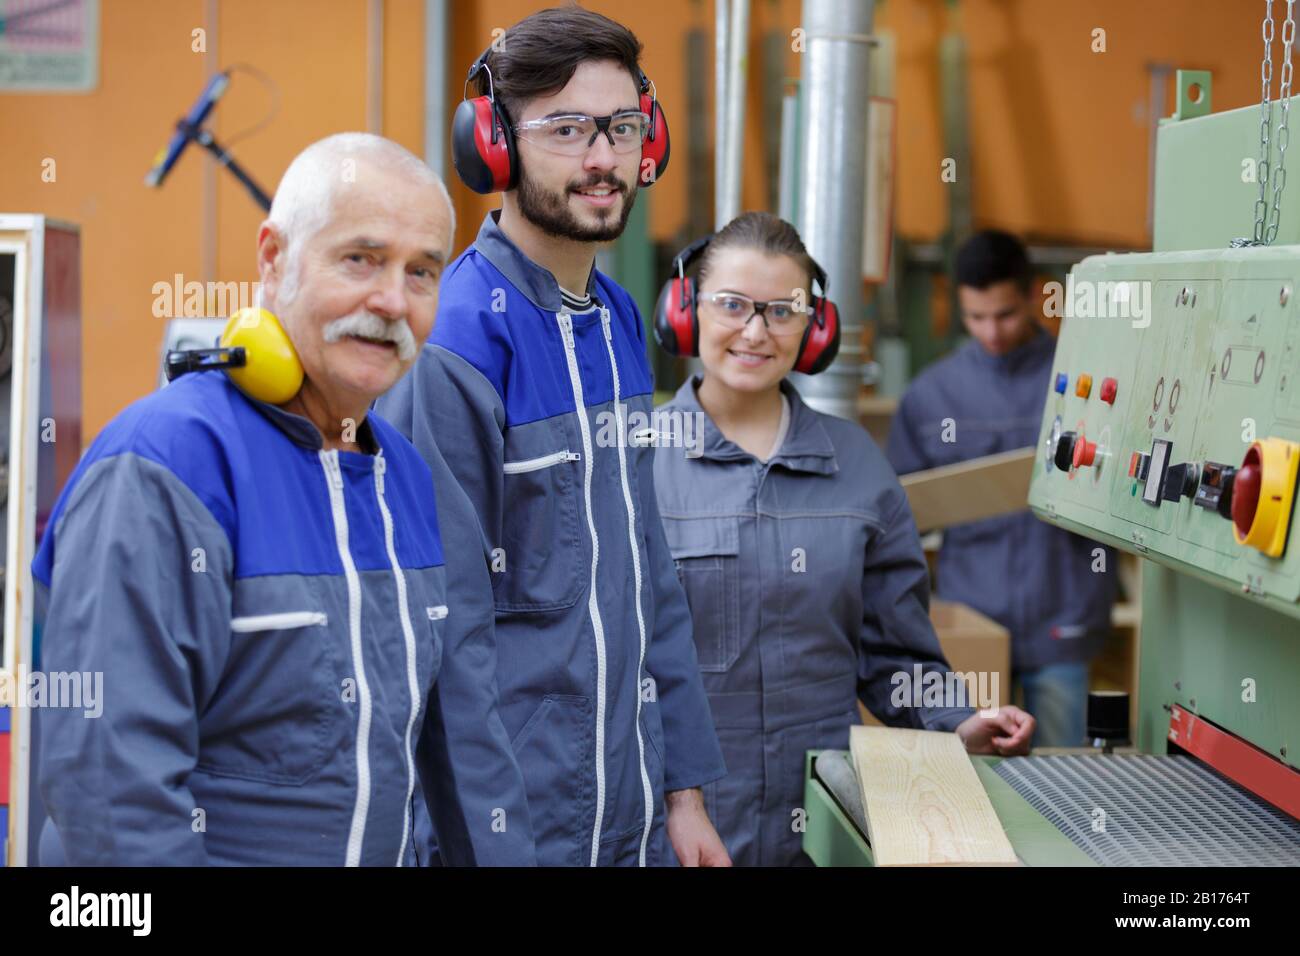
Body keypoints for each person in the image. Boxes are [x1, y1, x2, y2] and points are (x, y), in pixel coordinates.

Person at [33, 133, 534, 866]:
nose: (392, 300)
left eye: (423, 272)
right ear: (273, 259)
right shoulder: (162, 467)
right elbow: (111, 799)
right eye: (360, 258)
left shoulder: (403, 475)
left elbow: (458, 739)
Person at [377, 6, 728, 867]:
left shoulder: (613, 320)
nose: (604, 158)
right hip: (515, 830)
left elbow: (651, 579)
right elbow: (443, 640)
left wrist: (682, 794)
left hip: (630, 818)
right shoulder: (454, 342)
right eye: (568, 129)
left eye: (623, 127)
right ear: (494, 144)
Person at [651, 212, 1036, 867]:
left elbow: (895, 653)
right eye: (732, 305)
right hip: (678, 832)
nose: (754, 330)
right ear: (686, 310)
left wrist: (957, 722)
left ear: (815, 327)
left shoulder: (857, 467)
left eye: (781, 310)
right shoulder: (638, 465)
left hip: (822, 829)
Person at [886, 229, 1117, 747]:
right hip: (973, 616)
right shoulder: (930, 395)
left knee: (1066, 778)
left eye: (1005, 315)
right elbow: (901, 515)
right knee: (977, 774)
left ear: (1034, 294)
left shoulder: (1085, 380)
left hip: (1064, 612)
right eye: (975, 317)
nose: (990, 331)